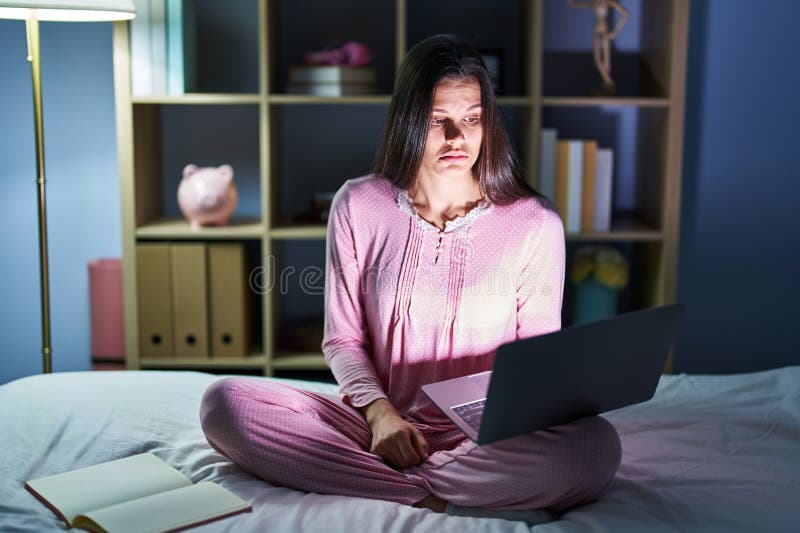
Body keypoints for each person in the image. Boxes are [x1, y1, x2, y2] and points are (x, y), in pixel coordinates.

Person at [199, 34, 621, 524]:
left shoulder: (534, 224)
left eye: (472, 119)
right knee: (223, 405)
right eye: (437, 120)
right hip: (374, 426)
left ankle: (402, 485)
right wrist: (380, 414)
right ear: (407, 119)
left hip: (488, 436)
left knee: (596, 449)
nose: (456, 138)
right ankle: (436, 494)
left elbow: (537, 361)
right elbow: (342, 339)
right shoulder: (359, 204)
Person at [567, 0, 629, 95]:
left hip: (603, 32)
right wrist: (571, 3)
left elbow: (625, 14)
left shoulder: (608, 2)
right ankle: (606, 87)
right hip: (597, 32)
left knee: (600, 61)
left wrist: (614, 32)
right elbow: (578, 5)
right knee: (603, 62)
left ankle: (609, 84)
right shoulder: (596, 2)